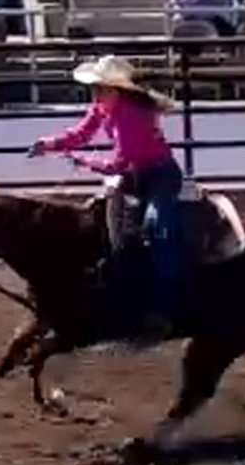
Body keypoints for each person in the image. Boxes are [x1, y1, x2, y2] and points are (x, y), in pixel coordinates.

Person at [29, 55, 184, 339]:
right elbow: (81, 133)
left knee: (160, 231)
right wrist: (50, 143)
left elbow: (118, 163)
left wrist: (84, 162)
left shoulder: (131, 115)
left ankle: (165, 309)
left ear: (118, 89)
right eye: (95, 88)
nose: (96, 93)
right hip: (136, 176)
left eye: (101, 87)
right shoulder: (104, 107)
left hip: (159, 176)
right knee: (103, 226)